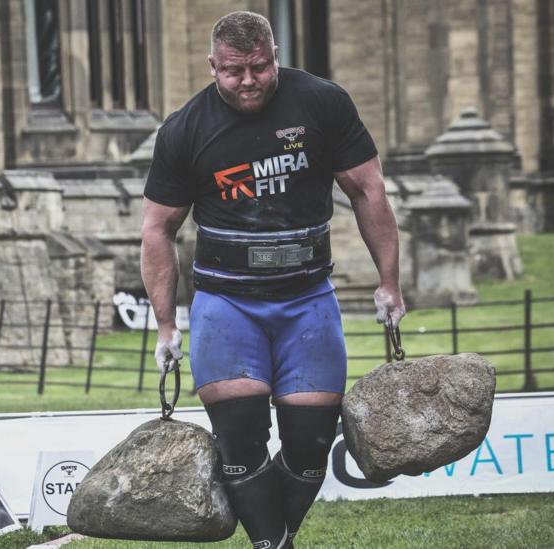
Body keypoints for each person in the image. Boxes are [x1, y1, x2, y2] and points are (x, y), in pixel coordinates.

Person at [140, 11, 406, 549]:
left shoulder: (322, 103)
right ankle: (274, 544)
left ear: (275, 55)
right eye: (234, 71)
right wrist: (166, 324)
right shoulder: (185, 128)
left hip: (308, 301)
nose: (248, 81)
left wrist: (389, 282)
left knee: (309, 450)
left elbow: (368, 192)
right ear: (213, 65)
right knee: (240, 442)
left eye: (259, 67)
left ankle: (274, 537)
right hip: (225, 304)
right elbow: (157, 229)